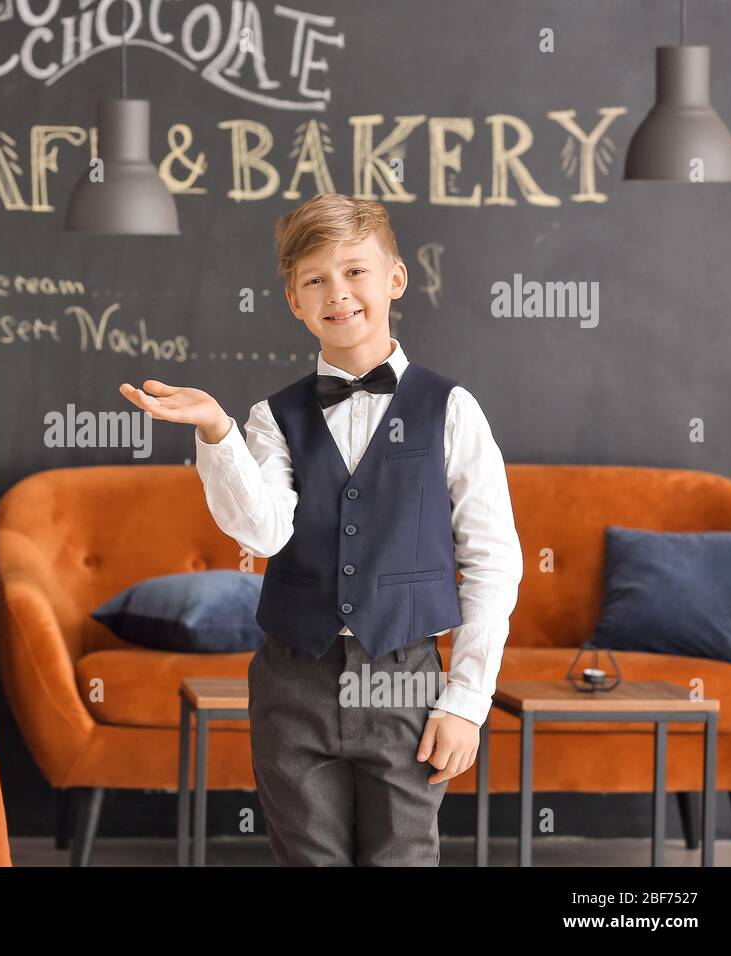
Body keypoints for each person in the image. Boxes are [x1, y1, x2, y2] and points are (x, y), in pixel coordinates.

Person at [119, 194, 523, 865]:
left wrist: (468, 701)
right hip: (292, 681)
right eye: (316, 280)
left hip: (405, 680)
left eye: (355, 272)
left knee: (402, 858)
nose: (338, 293)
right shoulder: (271, 418)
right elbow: (265, 531)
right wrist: (218, 434)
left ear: (394, 279)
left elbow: (493, 560)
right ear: (293, 301)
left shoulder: (451, 410)